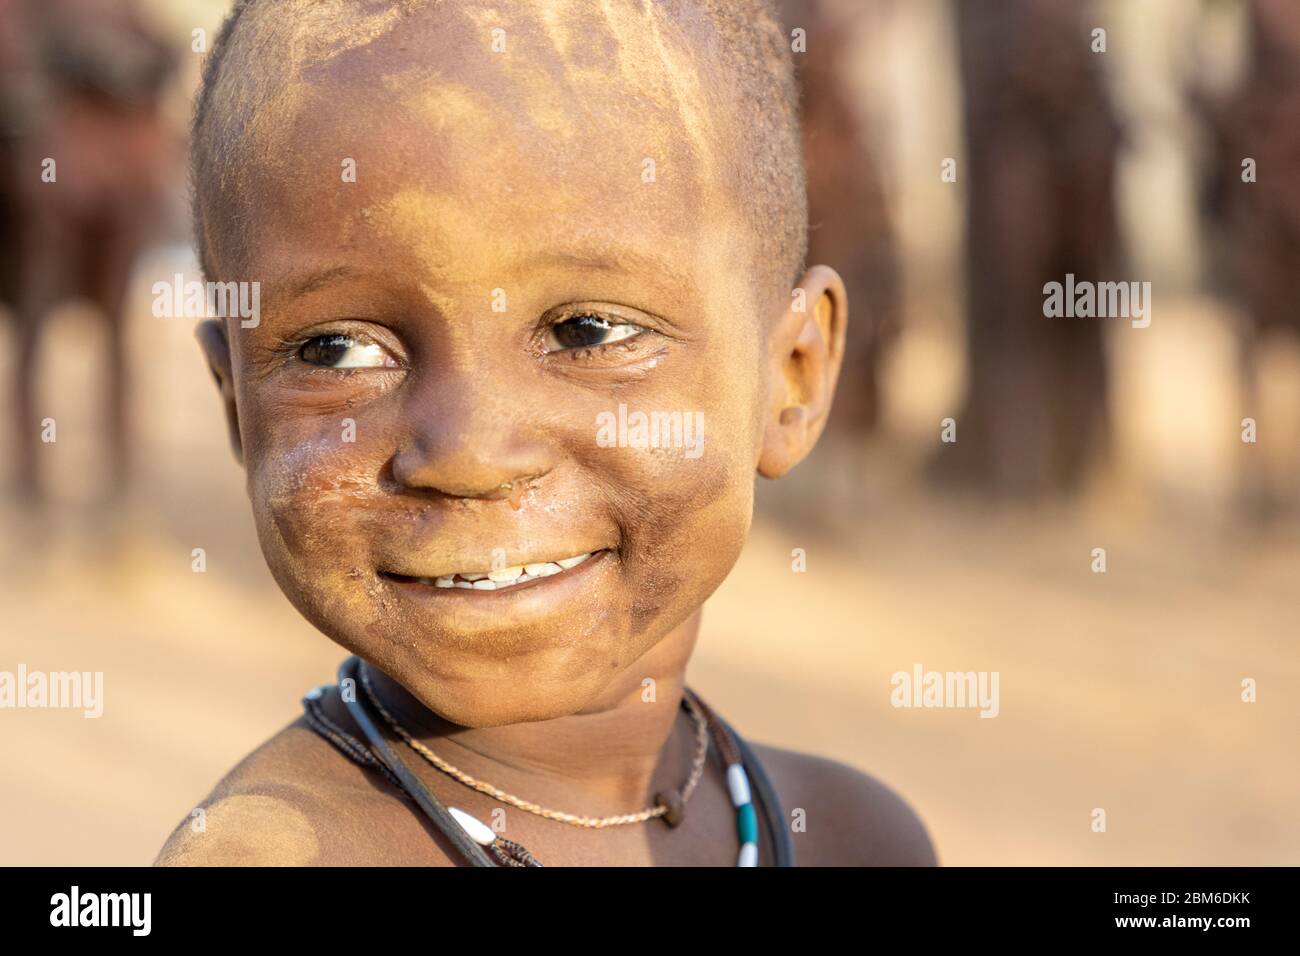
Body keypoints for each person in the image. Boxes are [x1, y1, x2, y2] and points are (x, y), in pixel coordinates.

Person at [156, 0, 935, 867]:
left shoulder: (854, 839)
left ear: (792, 378)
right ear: (236, 405)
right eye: (337, 349)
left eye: (588, 332)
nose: (470, 455)